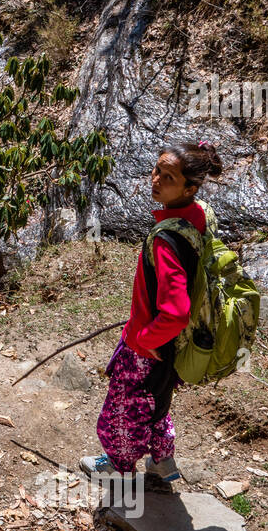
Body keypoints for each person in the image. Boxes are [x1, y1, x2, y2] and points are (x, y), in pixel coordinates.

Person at [79, 140, 224, 484]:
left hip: (151, 342)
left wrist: (143, 339)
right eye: (157, 169)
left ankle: (117, 469)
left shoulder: (166, 240)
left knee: (124, 408)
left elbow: (176, 312)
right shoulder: (199, 213)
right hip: (174, 344)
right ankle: (162, 464)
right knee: (157, 401)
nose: (155, 179)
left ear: (189, 187)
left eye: (168, 176)